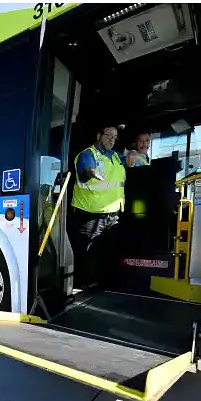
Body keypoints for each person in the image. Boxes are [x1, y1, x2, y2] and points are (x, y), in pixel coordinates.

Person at [68, 123, 127, 288]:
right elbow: (87, 169)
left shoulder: (116, 156)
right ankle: (79, 286)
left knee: (109, 252)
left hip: (113, 215)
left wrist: (134, 154)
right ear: (99, 135)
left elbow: (130, 158)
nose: (112, 140)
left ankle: (105, 285)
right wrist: (92, 172)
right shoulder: (88, 154)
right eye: (109, 135)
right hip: (90, 215)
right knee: (85, 252)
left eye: (115, 137)